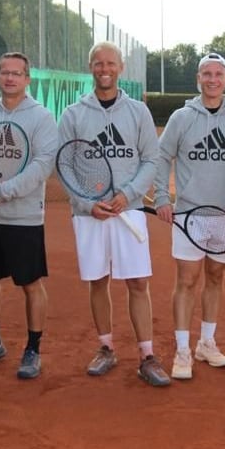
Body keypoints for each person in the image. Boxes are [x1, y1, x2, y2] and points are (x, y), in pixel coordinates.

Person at [57, 41, 170, 387]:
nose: (104, 68)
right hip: (90, 213)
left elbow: (151, 160)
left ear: (120, 68)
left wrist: (128, 194)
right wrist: (85, 203)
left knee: (138, 282)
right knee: (98, 280)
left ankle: (147, 356)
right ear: (90, 67)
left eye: (110, 63)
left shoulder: (138, 112)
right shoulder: (74, 114)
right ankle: (106, 348)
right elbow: (64, 164)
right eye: (97, 63)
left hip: (129, 210)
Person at [0, 52, 57, 379]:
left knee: (30, 283)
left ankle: (33, 348)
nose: (10, 78)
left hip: (24, 218)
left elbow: (43, 164)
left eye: (17, 73)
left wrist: (5, 190)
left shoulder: (42, 118)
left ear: (27, 79)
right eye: (4, 72)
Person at [152, 52, 225, 379]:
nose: (212, 79)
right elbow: (162, 157)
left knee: (216, 278)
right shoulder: (182, 117)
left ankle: (207, 342)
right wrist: (163, 196)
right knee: (187, 280)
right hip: (189, 213)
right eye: (206, 74)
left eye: (218, 74)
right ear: (198, 79)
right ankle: (182, 351)